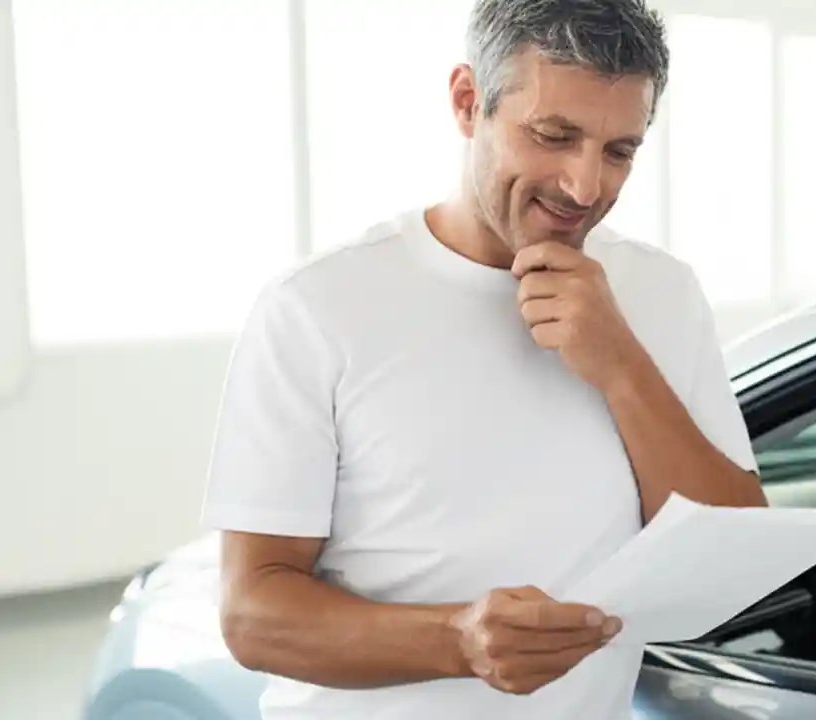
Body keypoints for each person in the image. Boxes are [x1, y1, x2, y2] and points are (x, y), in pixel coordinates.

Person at [201, 0, 767, 717]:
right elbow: (252, 614)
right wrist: (457, 640)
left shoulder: (662, 293)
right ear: (469, 102)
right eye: (553, 136)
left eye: (619, 151)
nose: (585, 186)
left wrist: (622, 365)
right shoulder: (315, 307)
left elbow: (733, 555)